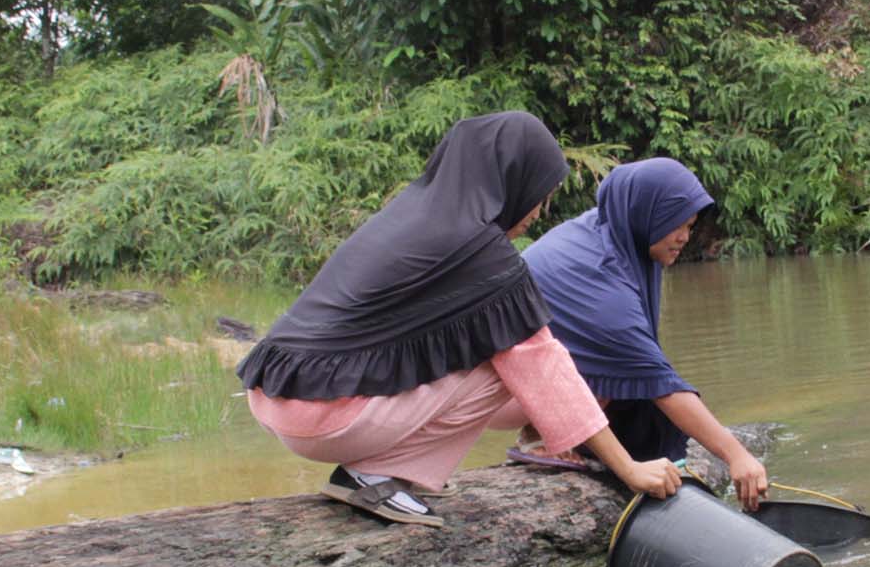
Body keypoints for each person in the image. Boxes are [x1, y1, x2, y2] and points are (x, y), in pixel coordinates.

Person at [236, 111, 683, 527]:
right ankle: (371, 476)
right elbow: (543, 366)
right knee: (510, 356)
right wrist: (629, 468)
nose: (536, 213)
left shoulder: (414, 214)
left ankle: (397, 470)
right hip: (324, 415)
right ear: (511, 181)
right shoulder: (480, 250)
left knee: (503, 348)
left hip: (279, 394)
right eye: (538, 196)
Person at [519, 158, 771, 510]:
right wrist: (737, 456)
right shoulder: (601, 283)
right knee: (648, 385)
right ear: (646, 216)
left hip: (544, 373)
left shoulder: (614, 232)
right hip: (506, 388)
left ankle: (567, 434)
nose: (685, 237)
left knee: (645, 397)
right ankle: (543, 435)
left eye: (690, 226)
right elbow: (658, 383)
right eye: (675, 226)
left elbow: (645, 367)